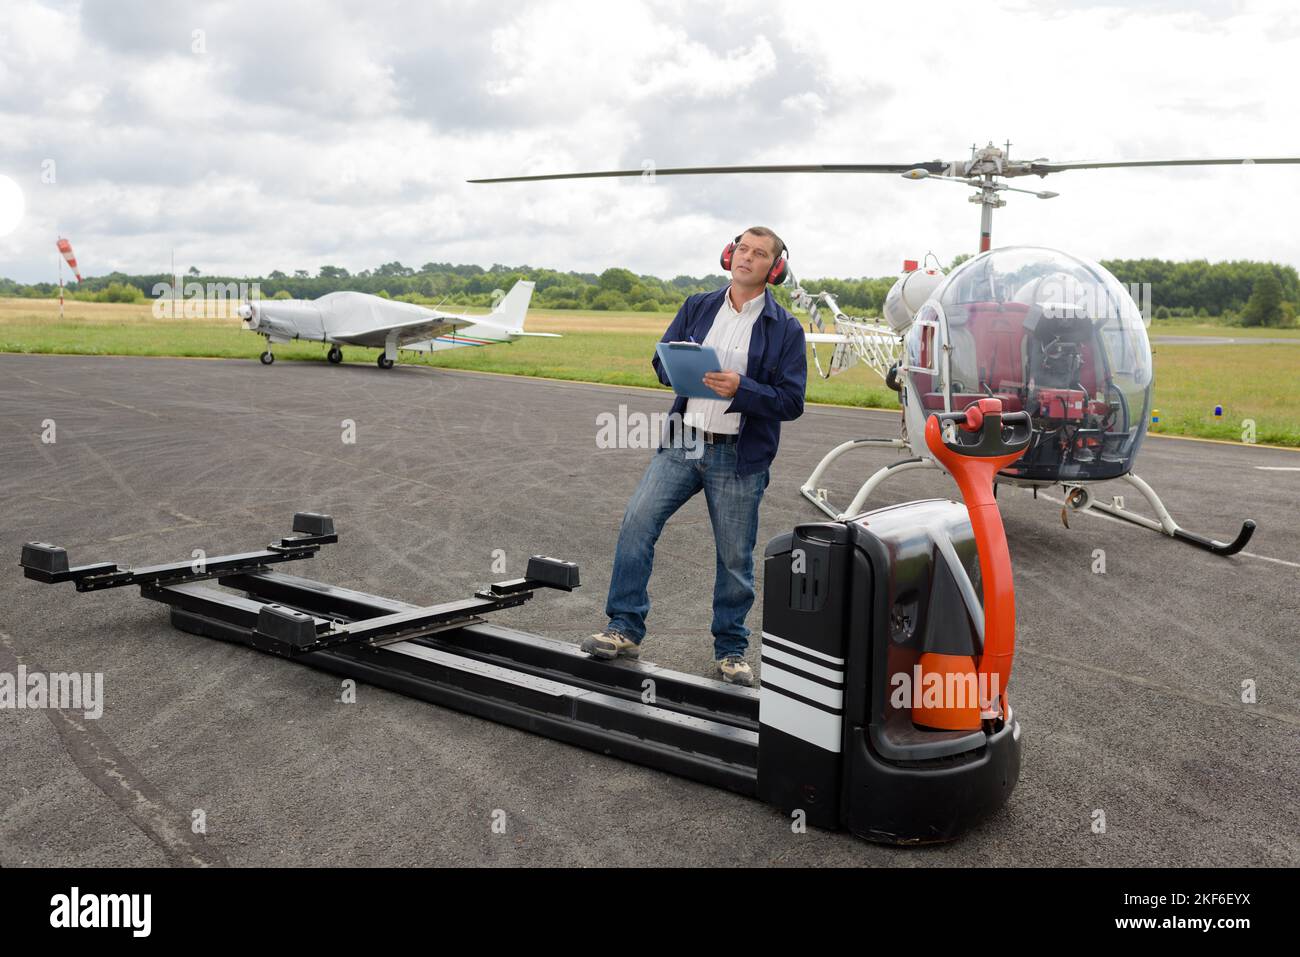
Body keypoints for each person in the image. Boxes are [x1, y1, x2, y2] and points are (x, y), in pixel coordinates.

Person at [583, 227, 807, 686]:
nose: (747, 257)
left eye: (759, 253)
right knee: (636, 525)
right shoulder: (698, 306)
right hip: (683, 441)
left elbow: (791, 401)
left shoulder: (785, 329)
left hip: (738, 456)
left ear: (775, 269)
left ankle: (730, 650)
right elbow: (659, 362)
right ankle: (624, 628)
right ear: (730, 255)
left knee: (733, 558)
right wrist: (675, 367)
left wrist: (740, 388)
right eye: (742, 248)